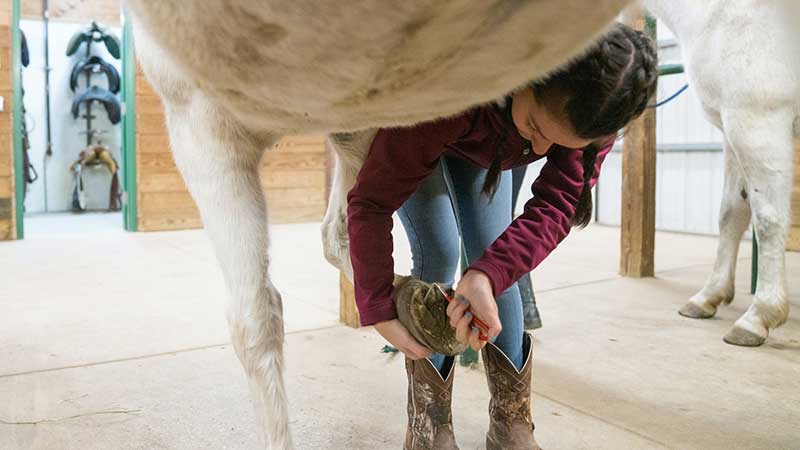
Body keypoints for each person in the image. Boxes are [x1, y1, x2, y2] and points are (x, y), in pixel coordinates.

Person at [347, 23, 658, 450]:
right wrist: (379, 306)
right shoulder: (453, 83)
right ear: (528, 72)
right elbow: (371, 202)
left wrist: (486, 275)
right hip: (441, 111)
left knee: (496, 256)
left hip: (493, 136)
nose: (543, 150)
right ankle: (429, 425)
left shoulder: (598, 111)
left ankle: (511, 421)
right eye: (537, 128)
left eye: (559, 144)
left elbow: (558, 204)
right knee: (439, 249)